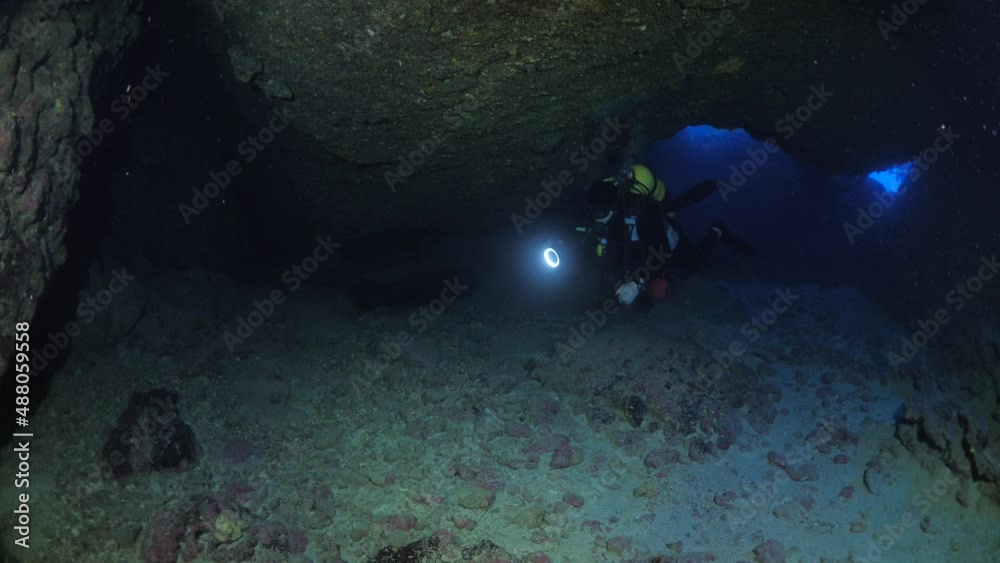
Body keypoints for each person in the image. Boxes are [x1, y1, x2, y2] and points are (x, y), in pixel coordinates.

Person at [584, 163, 753, 305]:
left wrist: (637, 283)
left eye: (600, 214)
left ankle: (716, 230)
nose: (597, 220)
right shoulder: (610, 218)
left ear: (612, 209)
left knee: (692, 266)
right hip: (639, 246)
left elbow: (661, 252)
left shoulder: (644, 213)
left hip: (668, 242)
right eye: (593, 214)